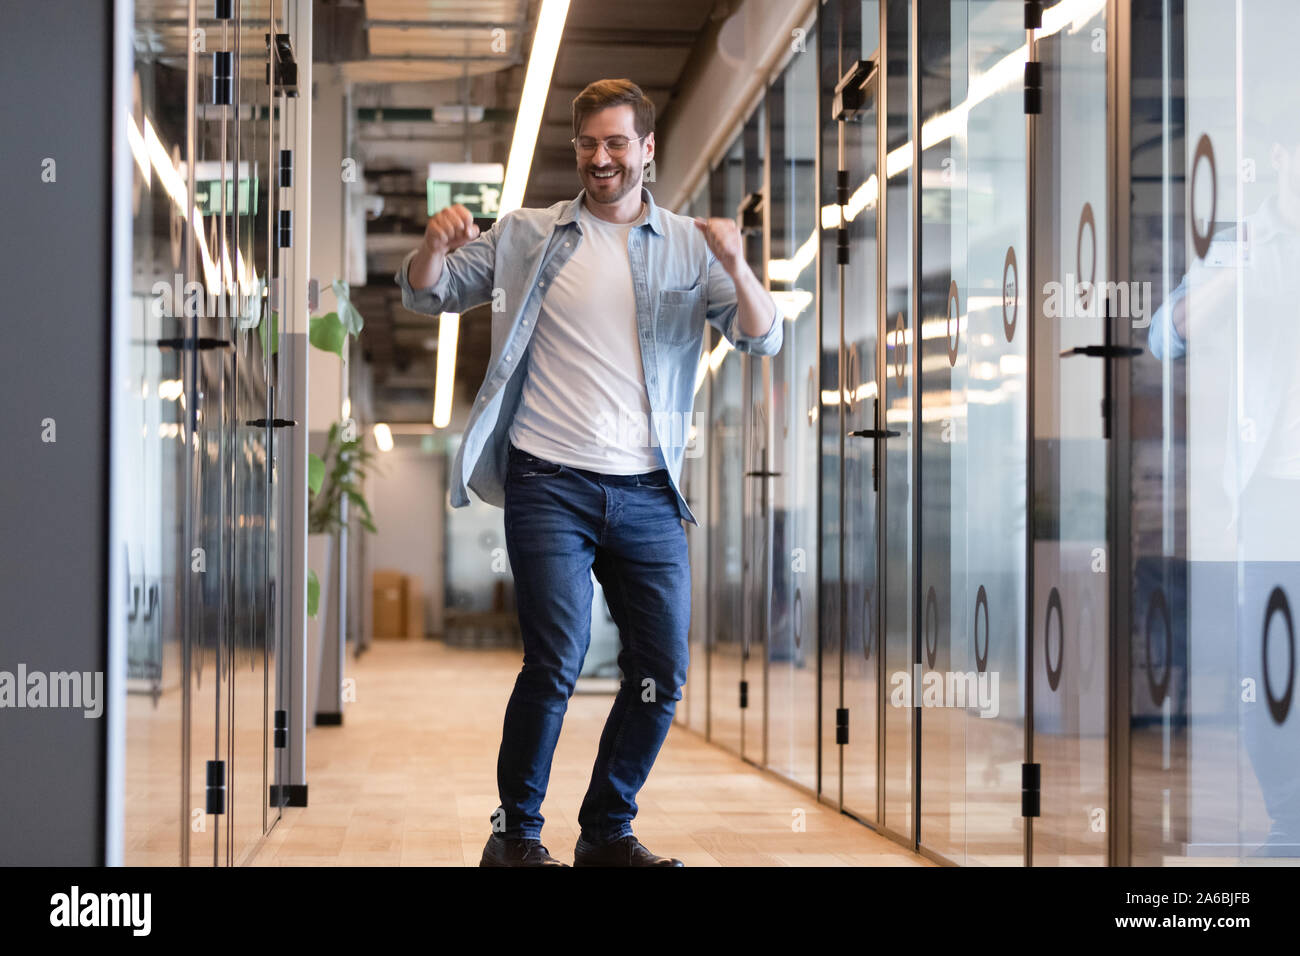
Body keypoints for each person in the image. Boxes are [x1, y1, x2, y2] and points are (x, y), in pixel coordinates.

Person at [395, 78, 783, 866]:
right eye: (588, 145)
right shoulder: (526, 234)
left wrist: (739, 268)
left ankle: (607, 832)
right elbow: (426, 295)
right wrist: (433, 247)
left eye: (616, 143)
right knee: (557, 660)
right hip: (549, 484)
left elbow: (761, 339)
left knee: (661, 672)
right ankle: (517, 837)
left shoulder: (687, 245)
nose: (600, 159)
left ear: (646, 150)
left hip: (648, 492)